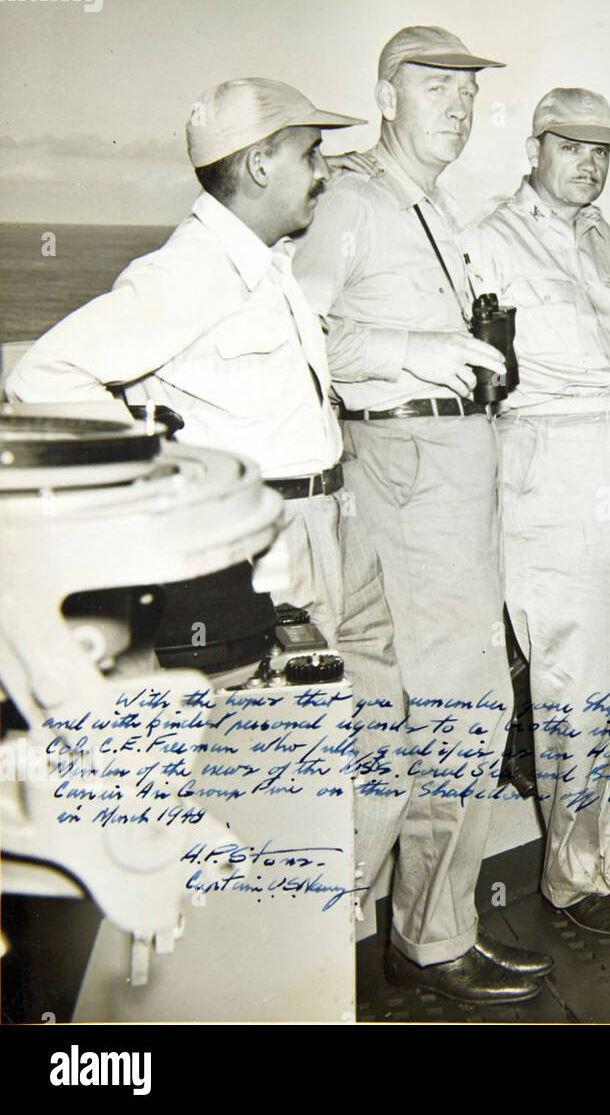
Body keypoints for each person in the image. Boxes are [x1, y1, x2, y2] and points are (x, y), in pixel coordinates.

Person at [4, 75, 417, 913]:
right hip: (275, 541)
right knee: (297, 779)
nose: (323, 169)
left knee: (379, 751)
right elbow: (44, 373)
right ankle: (290, 966)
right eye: (309, 153)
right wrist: (171, 471)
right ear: (261, 164)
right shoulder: (189, 271)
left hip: (332, 521)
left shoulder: (266, 267)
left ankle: (325, 953)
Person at [291, 26, 552, 1002]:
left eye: (467, 89)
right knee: (465, 711)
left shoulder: (434, 212)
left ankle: (372, 944)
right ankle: (414, 941)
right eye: (434, 85)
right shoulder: (353, 201)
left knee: (404, 725)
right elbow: (295, 337)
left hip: (453, 467)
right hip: (403, 471)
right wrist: (408, 354)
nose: (457, 103)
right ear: (386, 96)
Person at [464, 88, 610, 941]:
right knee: (579, 686)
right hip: (547, 457)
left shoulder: (596, 238)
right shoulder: (487, 240)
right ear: (534, 149)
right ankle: (571, 878)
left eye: (601, 149)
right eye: (571, 147)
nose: (589, 163)